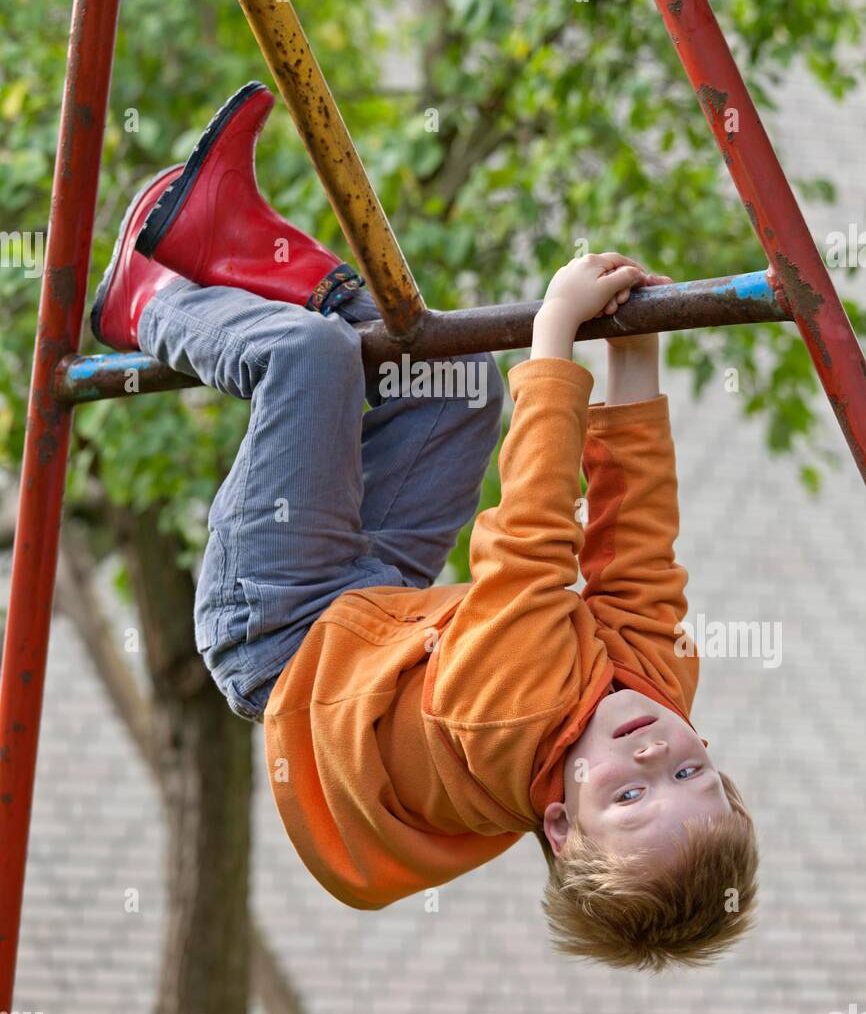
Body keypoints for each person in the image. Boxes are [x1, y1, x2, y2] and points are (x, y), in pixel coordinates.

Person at [92, 81, 758, 968]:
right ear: (710, 753)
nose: (651, 755)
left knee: (308, 360)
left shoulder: (509, 720)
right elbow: (639, 546)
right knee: (454, 386)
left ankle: (147, 302)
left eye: (629, 800)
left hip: (278, 625)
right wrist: (638, 355)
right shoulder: (656, 691)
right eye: (687, 774)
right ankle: (237, 246)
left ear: (560, 821)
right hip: (380, 615)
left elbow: (532, 537)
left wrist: (556, 336)